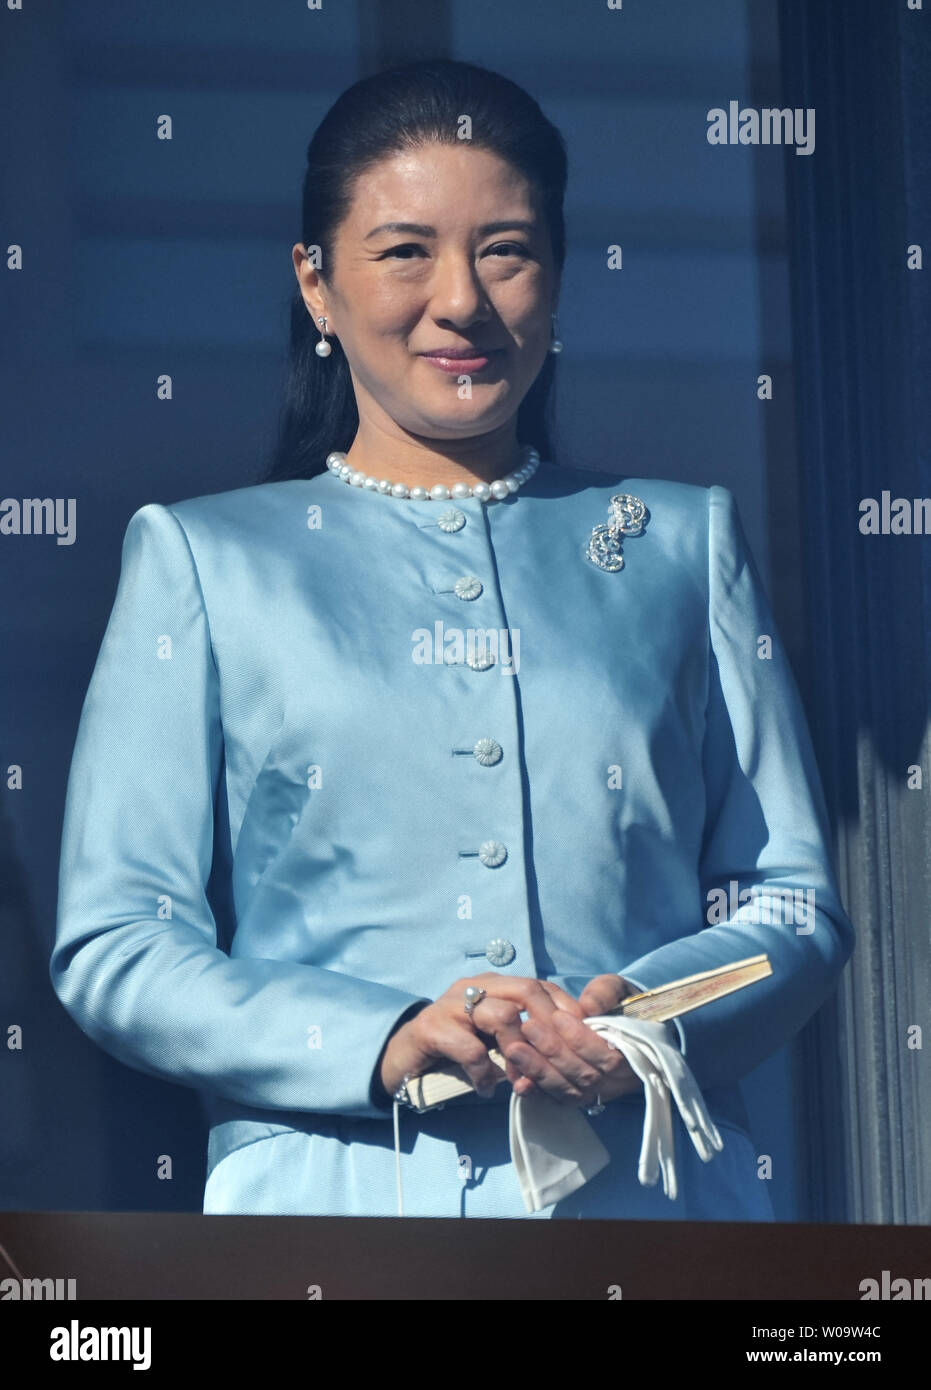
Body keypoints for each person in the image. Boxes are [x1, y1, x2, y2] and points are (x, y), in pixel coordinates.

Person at [51, 58, 854, 1220]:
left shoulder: (681, 541)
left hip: (656, 1213)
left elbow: (787, 902)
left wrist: (636, 1021)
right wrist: (378, 1037)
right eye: (403, 250)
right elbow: (118, 938)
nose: (462, 300)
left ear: (560, 279)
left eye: (507, 249)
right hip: (331, 1216)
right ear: (316, 284)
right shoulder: (206, 561)